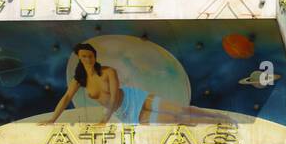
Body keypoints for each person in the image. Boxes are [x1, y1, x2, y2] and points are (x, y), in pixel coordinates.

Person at [43, 43, 235, 126]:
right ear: (79, 57)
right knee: (177, 119)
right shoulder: (79, 81)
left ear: (95, 57)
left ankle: (218, 116)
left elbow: (113, 98)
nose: (87, 59)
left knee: (180, 110)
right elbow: (66, 97)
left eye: (90, 56)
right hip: (127, 113)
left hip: (134, 97)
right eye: (83, 56)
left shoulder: (108, 71)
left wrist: (104, 119)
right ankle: (215, 123)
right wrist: (52, 119)